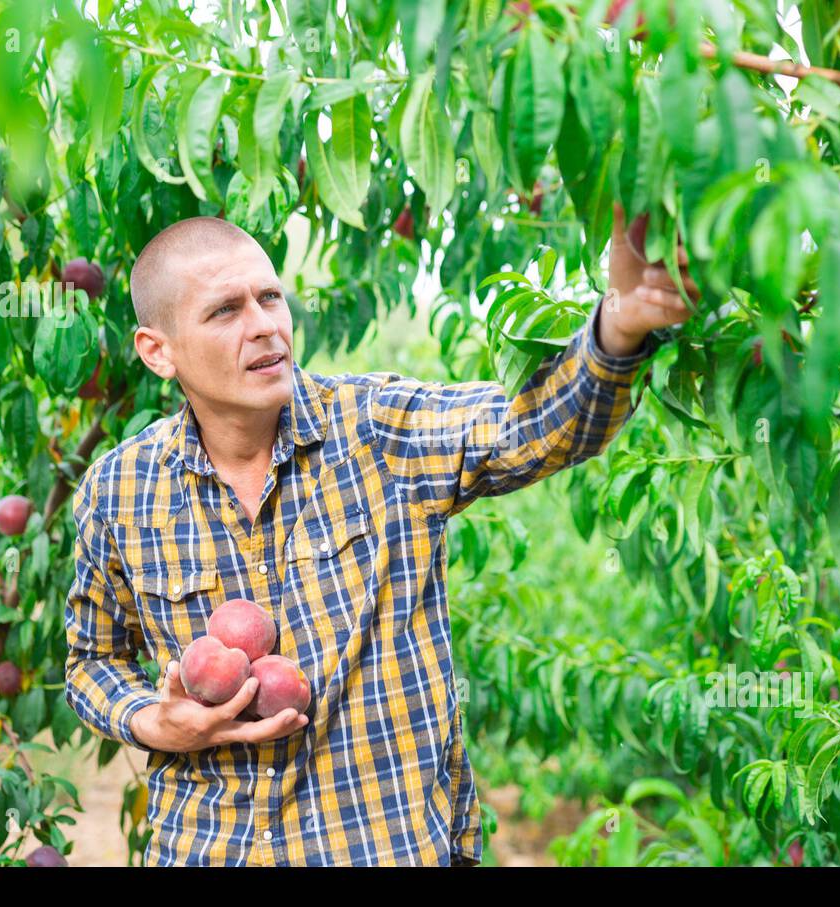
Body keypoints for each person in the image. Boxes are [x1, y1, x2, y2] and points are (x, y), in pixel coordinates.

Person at [63, 206, 698, 866]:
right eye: (225, 311)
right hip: (211, 848)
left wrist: (617, 327)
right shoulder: (120, 490)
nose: (266, 327)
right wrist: (153, 720)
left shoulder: (378, 432)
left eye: (271, 296)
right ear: (157, 352)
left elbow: (532, 428)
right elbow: (90, 662)